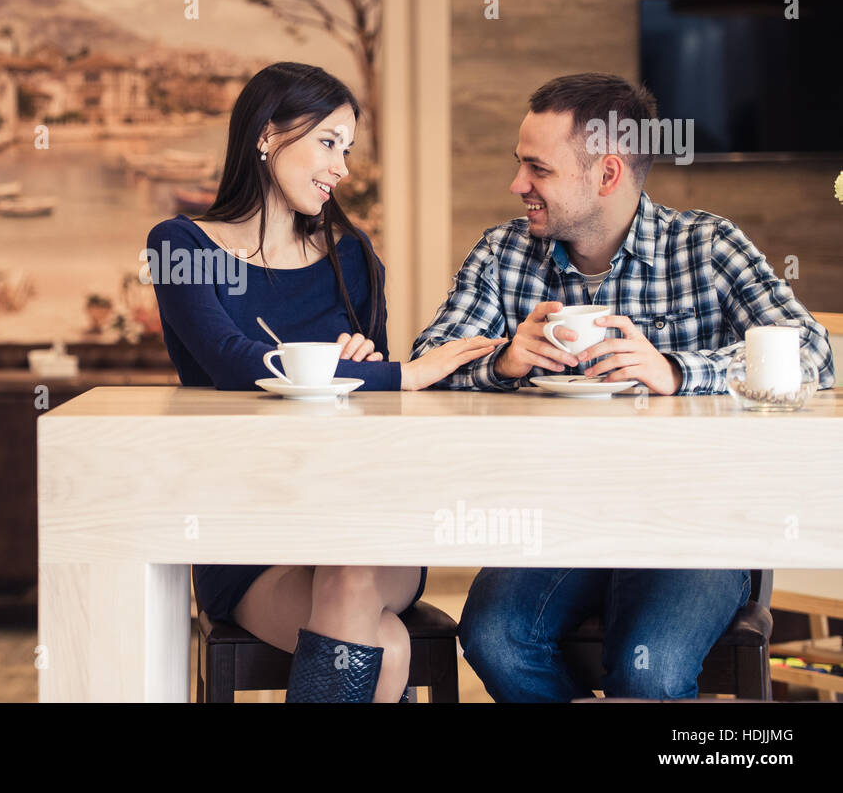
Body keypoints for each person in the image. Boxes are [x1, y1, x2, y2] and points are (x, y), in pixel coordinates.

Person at [411, 71, 835, 701]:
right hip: (560, 522)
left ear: (606, 175)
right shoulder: (504, 254)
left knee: (648, 670)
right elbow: (428, 363)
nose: (517, 185)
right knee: (495, 639)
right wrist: (502, 363)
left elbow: (813, 353)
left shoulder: (706, 246)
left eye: (538, 169)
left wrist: (676, 371)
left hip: (698, 523)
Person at [147, 62, 502, 702]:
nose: (341, 167)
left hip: (360, 512)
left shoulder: (353, 256)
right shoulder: (180, 246)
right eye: (328, 142)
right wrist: (397, 375)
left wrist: (363, 374)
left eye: (348, 150)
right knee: (385, 649)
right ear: (265, 135)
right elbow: (231, 361)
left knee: (349, 575)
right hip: (249, 532)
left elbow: (377, 414)